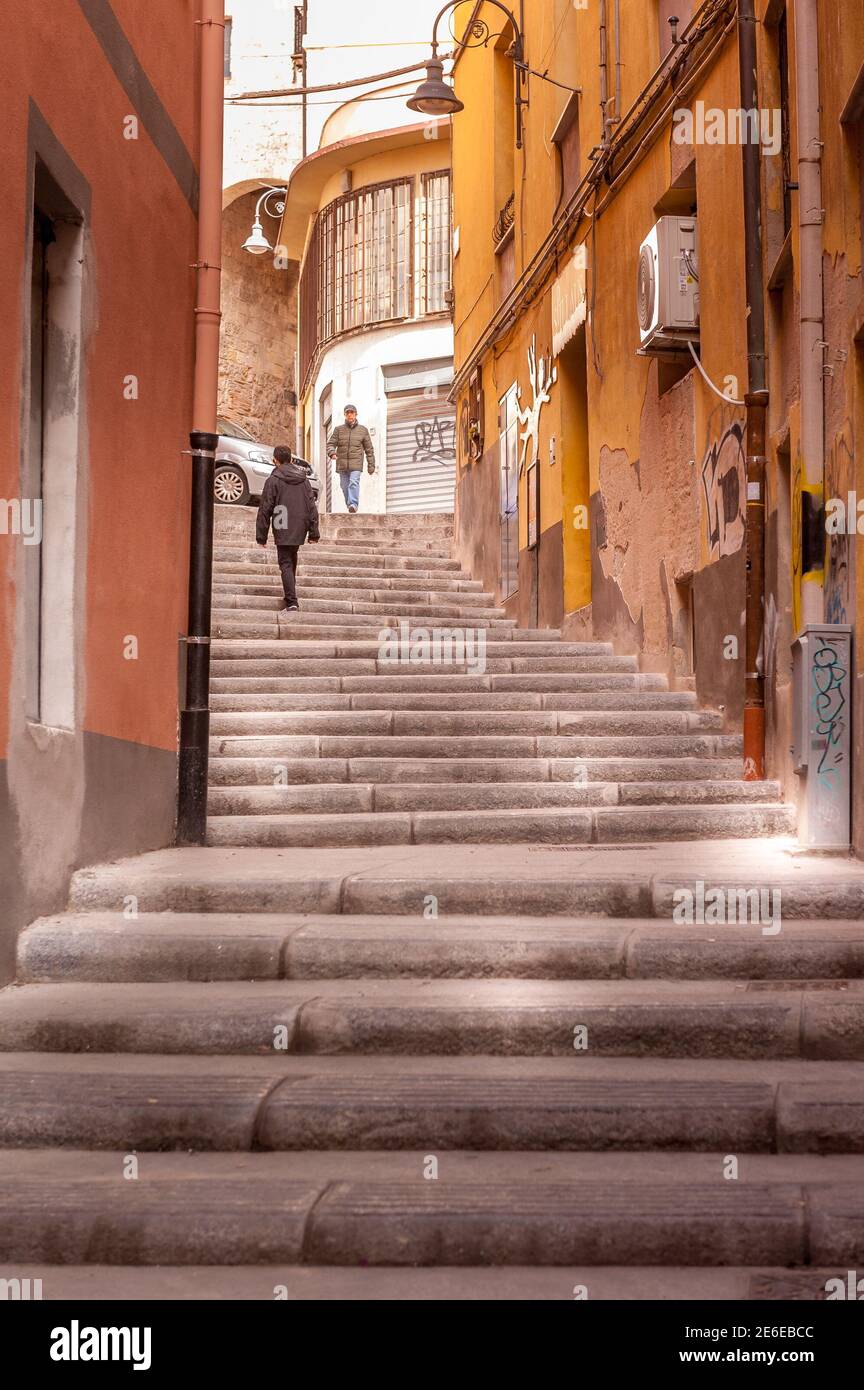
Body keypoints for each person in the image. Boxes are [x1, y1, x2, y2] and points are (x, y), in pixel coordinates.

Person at [255, 445, 319, 612]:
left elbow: (265, 508)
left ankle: (291, 602)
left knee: (285, 562)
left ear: (275, 461)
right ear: (291, 459)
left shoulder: (273, 480)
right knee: (291, 557)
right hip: (300, 523)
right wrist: (314, 532)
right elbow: (311, 506)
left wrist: (261, 536)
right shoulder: (304, 480)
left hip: (281, 521)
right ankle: (290, 594)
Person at [327, 403, 375, 513]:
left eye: (352, 413)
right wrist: (332, 453)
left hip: (356, 464)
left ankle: (353, 504)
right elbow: (330, 444)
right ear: (345, 415)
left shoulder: (363, 430)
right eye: (347, 413)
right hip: (342, 464)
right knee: (344, 486)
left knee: (353, 482)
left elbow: (369, 449)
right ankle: (350, 506)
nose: (350, 415)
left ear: (356, 414)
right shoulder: (338, 430)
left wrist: (371, 465)